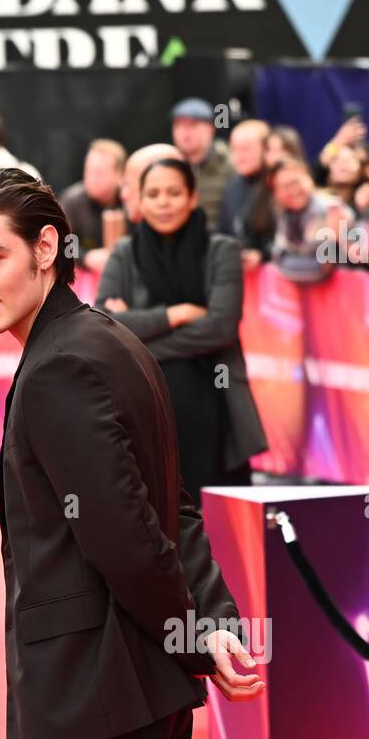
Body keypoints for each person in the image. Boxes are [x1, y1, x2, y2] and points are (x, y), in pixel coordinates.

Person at [0, 167, 263, 739]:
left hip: (90, 704)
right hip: (136, 699)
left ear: (46, 247)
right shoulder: (108, 338)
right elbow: (174, 507)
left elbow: (129, 540)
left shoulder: (62, 367)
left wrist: (196, 636)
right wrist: (210, 622)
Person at [96, 158, 266, 503]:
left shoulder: (222, 251)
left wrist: (140, 335)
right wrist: (175, 314)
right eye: (154, 193)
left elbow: (219, 328)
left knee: (218, 525)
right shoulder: (124, 255)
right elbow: (105, 325)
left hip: (215, 405)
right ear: (139, 202)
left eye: (174, 192)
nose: (163, 202)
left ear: (192, 198)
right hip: (142, 402)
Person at [269, 158, 350, 282]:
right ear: (275, 193)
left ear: (309, 178)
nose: (293, 190)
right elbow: (278, 257)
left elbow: (321, 268)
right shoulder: (283, 214)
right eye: (285, 186)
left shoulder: (331, 209)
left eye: (295, 182)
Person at [59, 138, 126, 275]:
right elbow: (62, 243)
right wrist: (86, 257)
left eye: (99, 173)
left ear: (119, 175)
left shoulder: (129, 201)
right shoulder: (73, 201)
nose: (91, 178)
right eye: (88, 171)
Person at [216, 120, 274, 266]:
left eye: (246, 149)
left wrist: (263, 255)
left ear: (266, 149)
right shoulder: (232, 187)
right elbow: (223, 233)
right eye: (234, 149)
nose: (239, 156)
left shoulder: (279, 184)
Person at [169, 97, 232, 227]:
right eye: (178, 125)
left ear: (210, 129)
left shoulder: (230, 166)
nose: (184, 133)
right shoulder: (168, 168)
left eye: (192, 125)